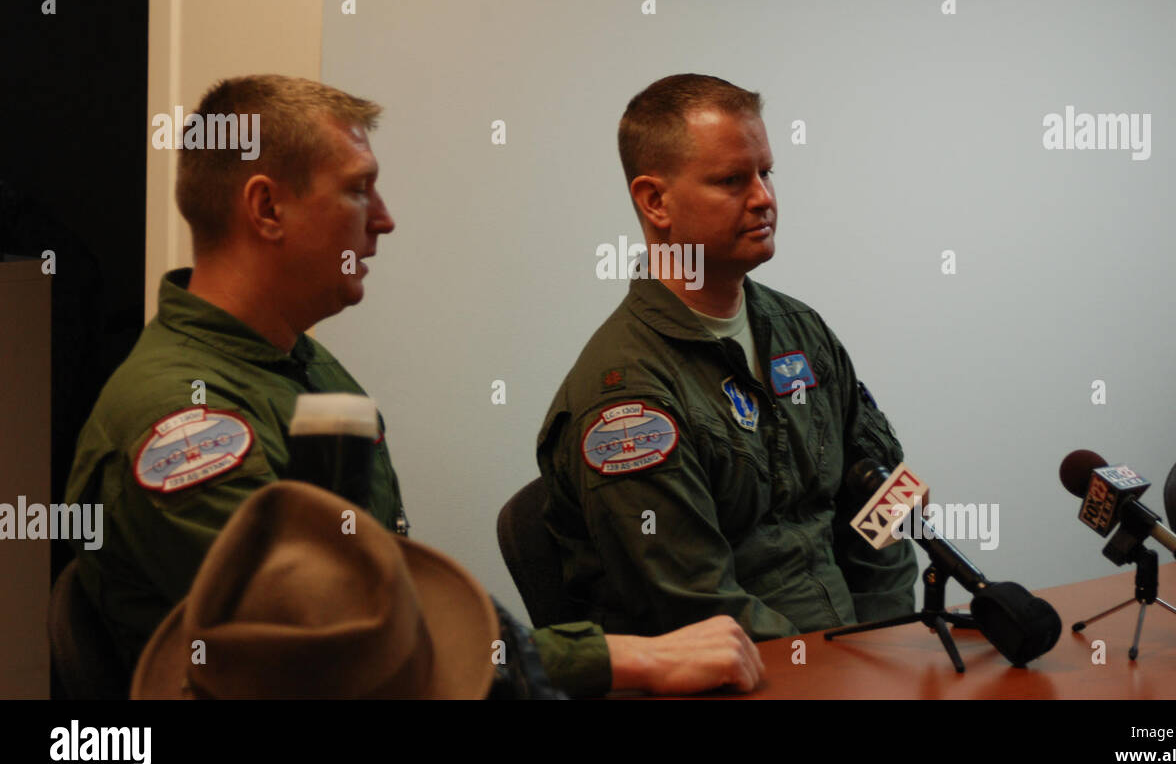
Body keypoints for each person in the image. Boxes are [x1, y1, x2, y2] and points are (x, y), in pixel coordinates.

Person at [65, 73, 761, 698]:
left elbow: (387, 595)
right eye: (357, 188)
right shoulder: (187, 425)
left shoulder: (297, 366)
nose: (384, 218)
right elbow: (349, 650)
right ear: (267, 210)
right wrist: (621, 660)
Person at [536, 73, 919, 640]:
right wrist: (834, 672)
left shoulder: (801, 332)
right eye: (732, 180)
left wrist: (889, 641)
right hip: (745, 676)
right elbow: (696, 607)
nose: (764, 197)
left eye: (766, 173)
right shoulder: (628, 397)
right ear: (655, 201)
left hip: (855, 656)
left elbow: (884, 503)